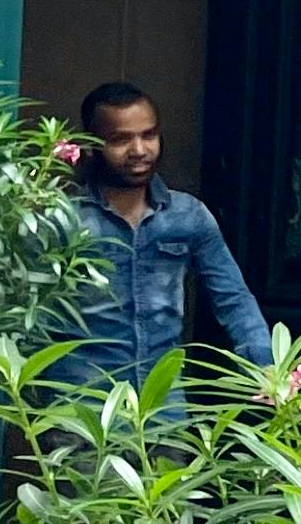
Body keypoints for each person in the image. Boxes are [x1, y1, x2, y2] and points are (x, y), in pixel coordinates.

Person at [53, 82, 274, 403]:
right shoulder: (63, 218)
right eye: (120, 139)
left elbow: (234, 299)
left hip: (164, 408)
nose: (139, 150)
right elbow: (26, 314)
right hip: (81, 407)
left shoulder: (188, 216)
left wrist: (265, 367)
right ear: (89, 145)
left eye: (149, 135)